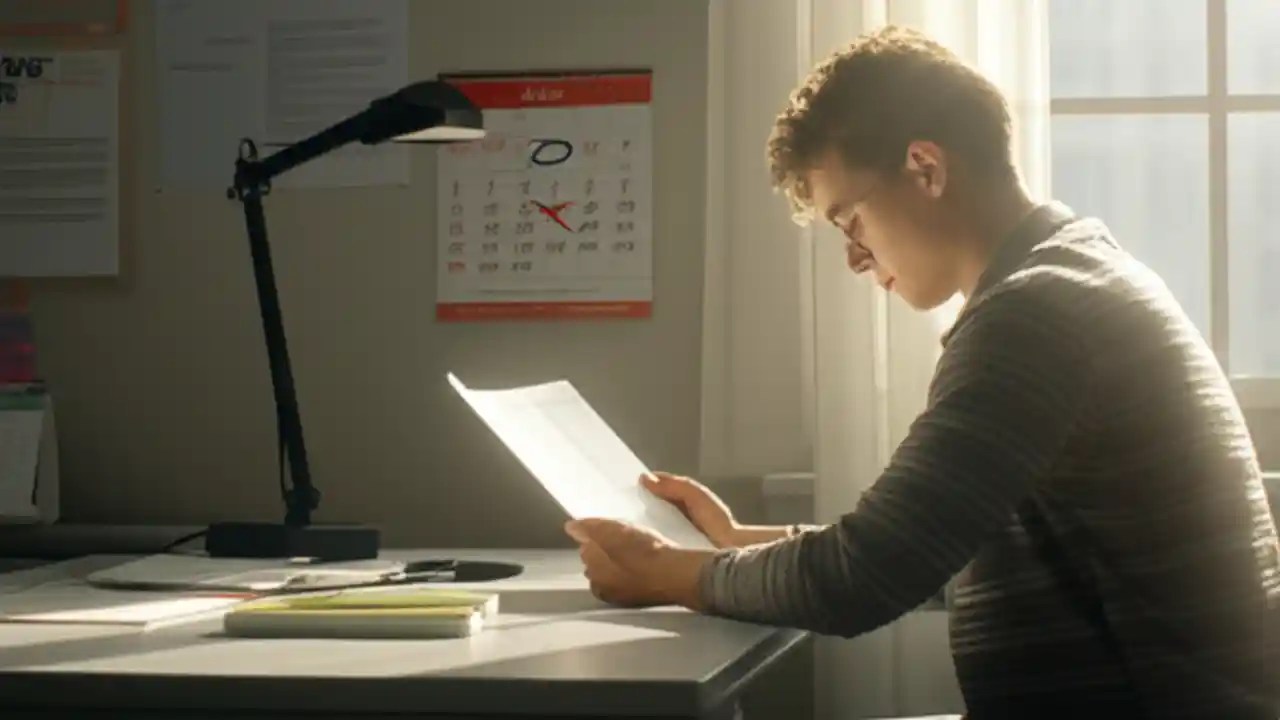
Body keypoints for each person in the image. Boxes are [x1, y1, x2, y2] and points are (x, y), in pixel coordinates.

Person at [564, 25, 1280, 719]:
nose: (853, 257)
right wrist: (732, 541)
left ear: (925, 168)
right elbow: (928, 545)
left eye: (850, 222)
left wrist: (667, 573)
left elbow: (867, 576)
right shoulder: (1080, 274)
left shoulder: (1035, 316)